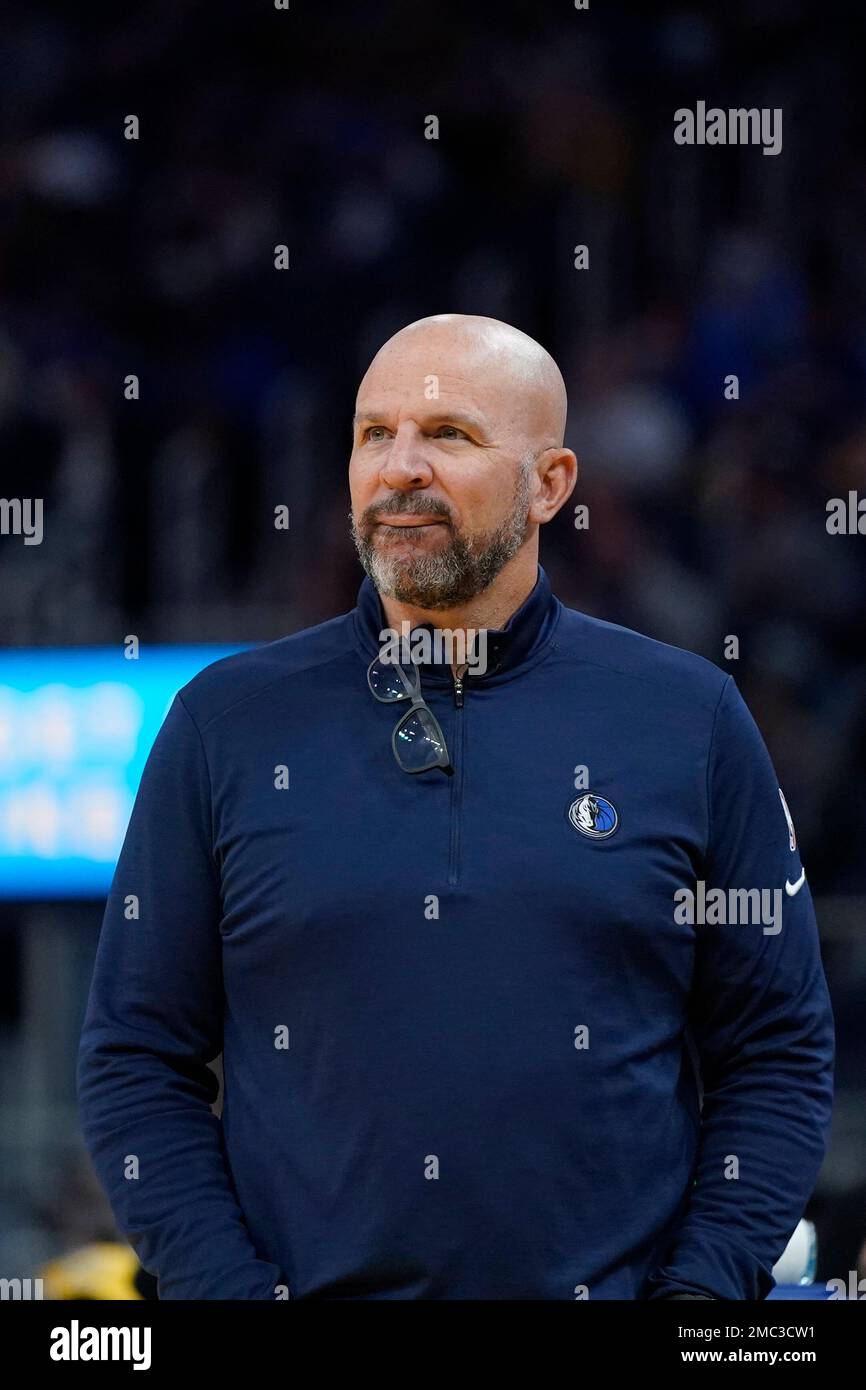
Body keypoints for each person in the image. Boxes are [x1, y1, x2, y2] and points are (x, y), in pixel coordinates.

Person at [77, 314, 835, 1300]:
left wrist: (694, 1299)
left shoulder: (685, 717)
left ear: (551, 482)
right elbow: (135, 1057)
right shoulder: (225, 724)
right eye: (371, 434)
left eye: (448, 435)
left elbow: (776, 1046)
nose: (398, 468)